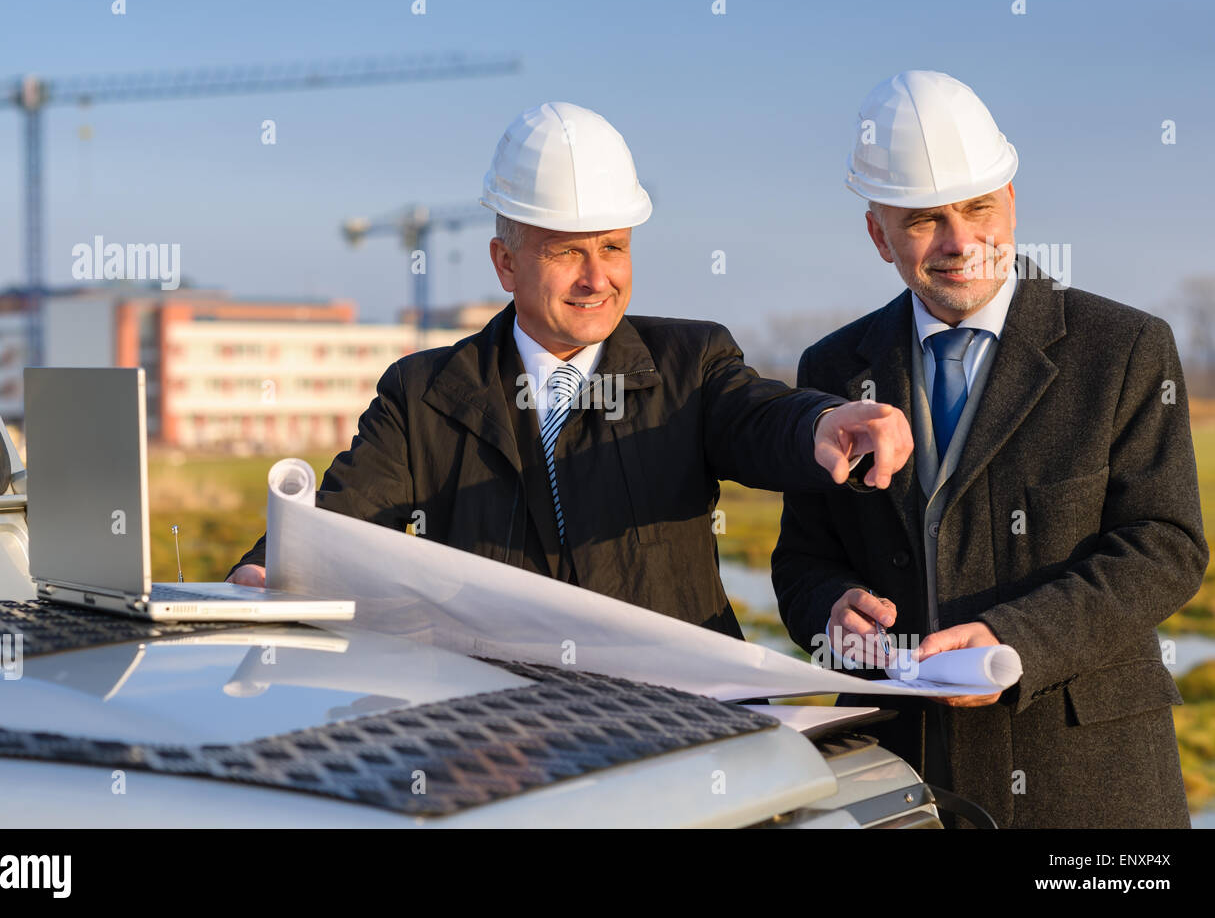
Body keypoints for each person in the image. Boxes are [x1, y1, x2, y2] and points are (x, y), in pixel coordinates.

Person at [227, 102, 911, 639]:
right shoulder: (424, 397)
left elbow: (756, 415)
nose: (596, 279)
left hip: (682, 724)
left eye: (613, 248)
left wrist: (818, 420)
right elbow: (342, 522)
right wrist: (269, 570)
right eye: (565, 254)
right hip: (506, 739)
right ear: (505, 263)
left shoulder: (690, 364)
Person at [772, 70, 1207, 827]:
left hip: (1088, 783)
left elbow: (1165, 547)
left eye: (977, 208)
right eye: (922, 220)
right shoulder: (832, 370)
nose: (959, 242)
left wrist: (1016, 638)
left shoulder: (1125, 348)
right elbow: (803, 559)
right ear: (878, 234)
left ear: (1011, 199)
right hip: (898, 778)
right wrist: (830, 611)